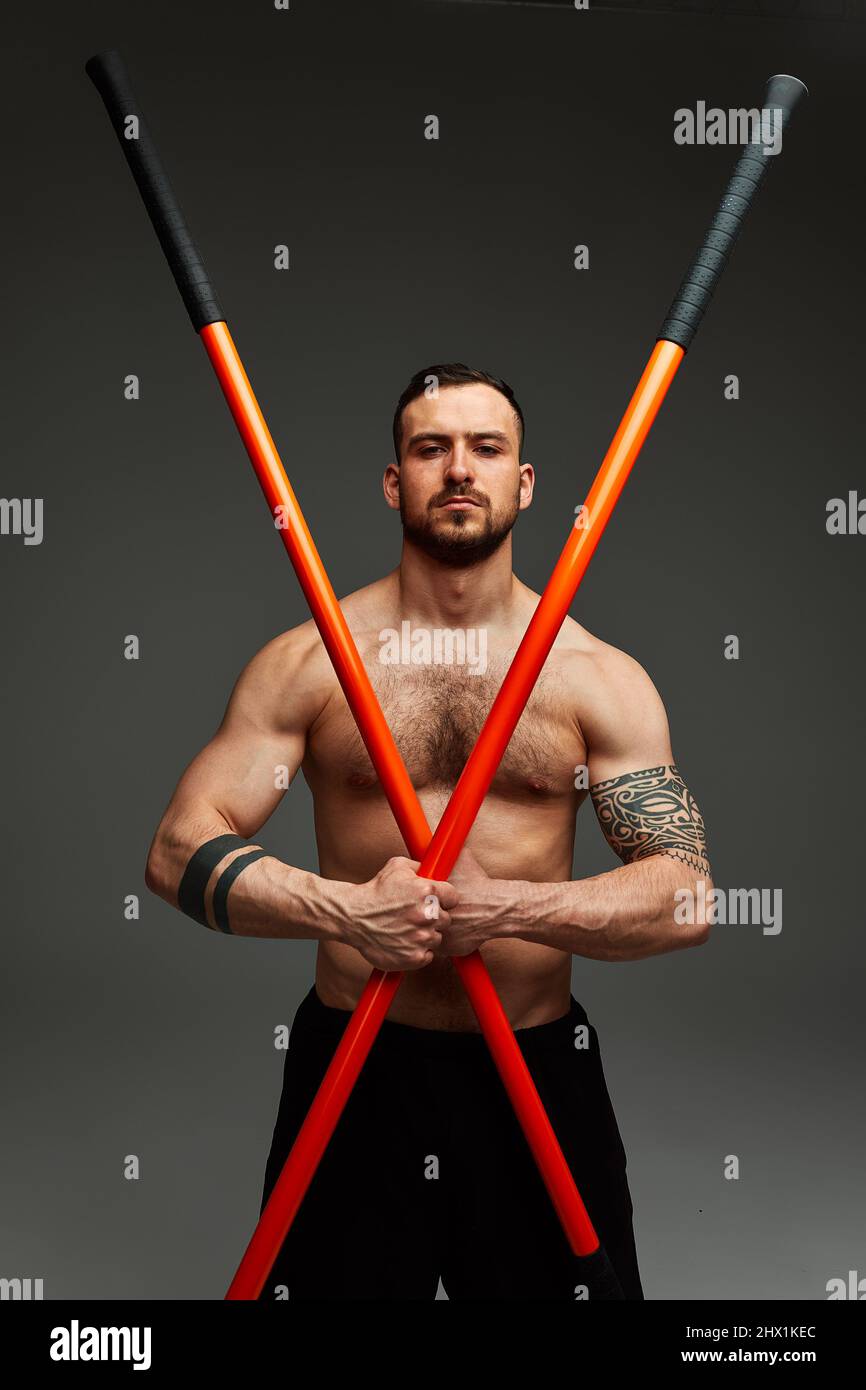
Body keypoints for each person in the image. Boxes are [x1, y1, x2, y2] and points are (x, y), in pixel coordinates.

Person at [144, 363, 713, 1300]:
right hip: (357, 1070)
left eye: (487, 448)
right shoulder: (312, 663)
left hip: (534, 1073)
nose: (460, 469)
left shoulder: (593, 677)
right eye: (430, 448)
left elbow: (687, 895)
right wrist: (345, 912)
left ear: (524, 484)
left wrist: (510, 911)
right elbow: (175, 852)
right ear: (393, 481)